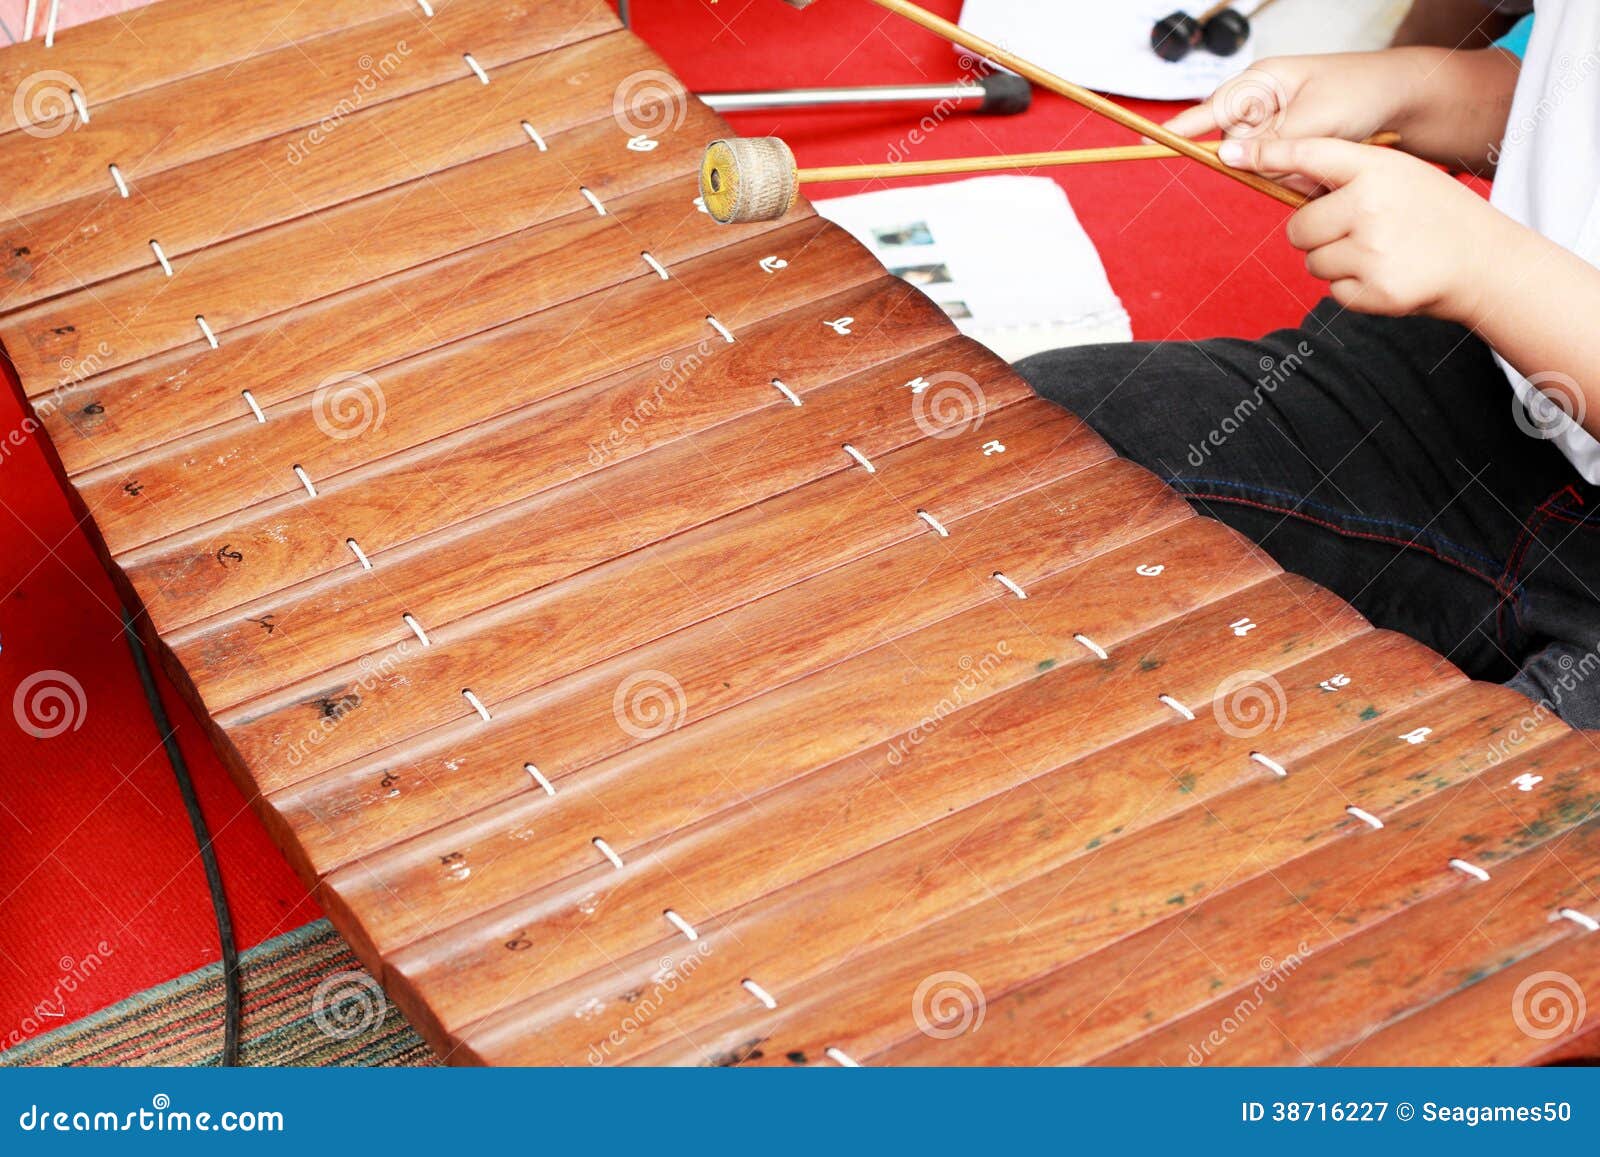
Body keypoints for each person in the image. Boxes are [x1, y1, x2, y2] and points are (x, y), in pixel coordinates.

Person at [1017, 2, 1600, 725]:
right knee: (1022, 453)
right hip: (1490, 375)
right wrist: (1407, 88)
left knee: (1430, 828)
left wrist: (1488, 267)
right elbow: (1568, 90)